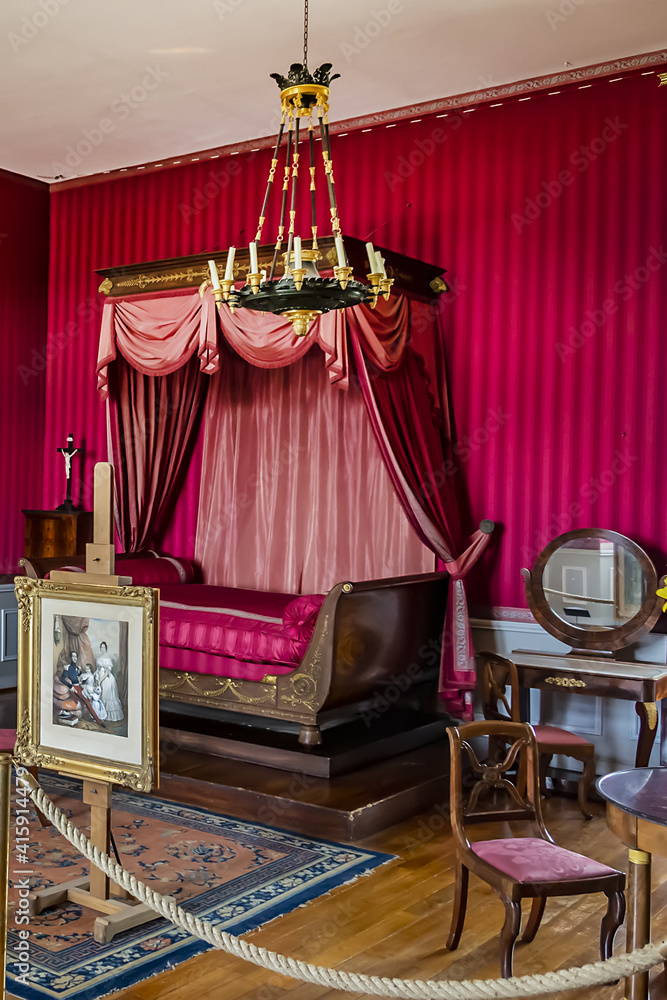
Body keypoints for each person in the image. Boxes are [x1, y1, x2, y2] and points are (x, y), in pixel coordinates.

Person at [95, 642, 124, 722]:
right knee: (100, 697)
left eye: (104, 648)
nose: (102, 649)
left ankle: (109, 717)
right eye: (101, 647)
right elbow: (97, 669)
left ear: (106, 648)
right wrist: (95, 675)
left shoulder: (107, 659)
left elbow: (107, 672)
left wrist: (100, 681)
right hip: (100, 677)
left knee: (106, 696)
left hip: (106, 680)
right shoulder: (98, 658)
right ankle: (101, 715)